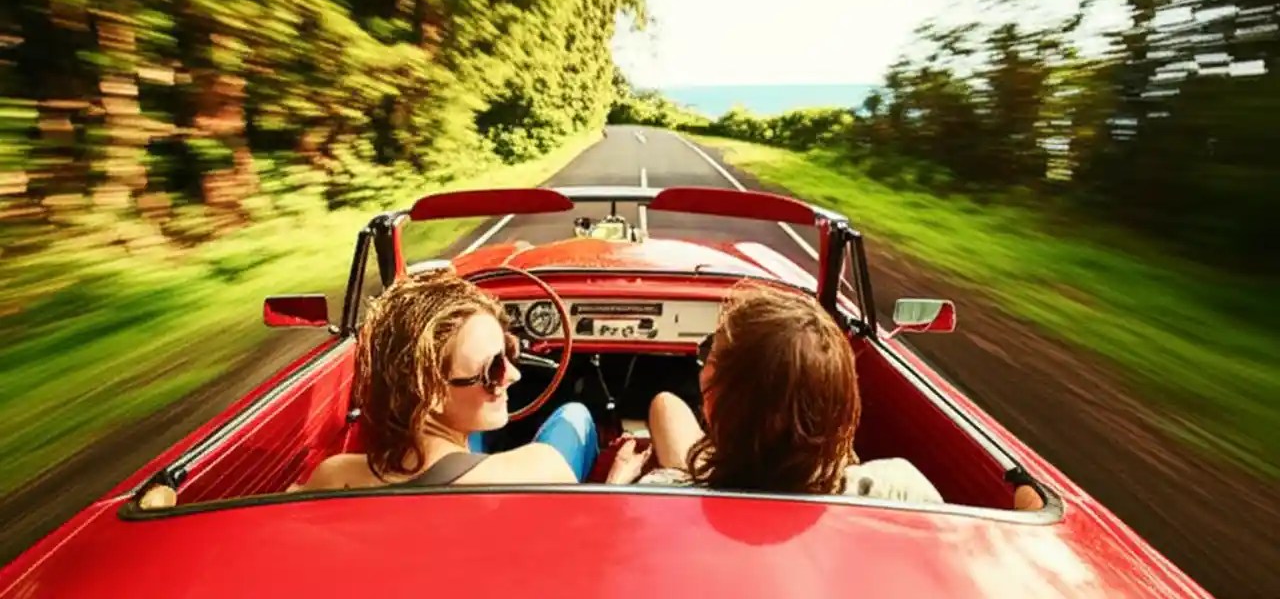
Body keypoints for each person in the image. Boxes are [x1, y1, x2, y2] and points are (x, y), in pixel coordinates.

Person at [292, 269, 631, 491]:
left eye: (510, 352)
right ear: (429, 391)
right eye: (494, 368)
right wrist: (616, 483)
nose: (514, 374)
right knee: (575, 413)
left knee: (474, 437)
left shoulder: (334, 478)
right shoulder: (541, 469)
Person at [608, 282, 943, 503]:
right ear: (841, 403)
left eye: (709, 352)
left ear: (715, 400)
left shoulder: (660, 493)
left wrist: (616, 486)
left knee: (665, 405)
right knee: (666, 405)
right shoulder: (901, 490)